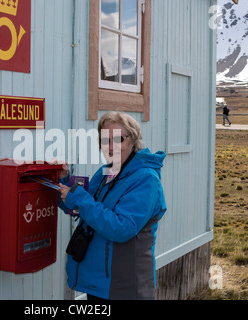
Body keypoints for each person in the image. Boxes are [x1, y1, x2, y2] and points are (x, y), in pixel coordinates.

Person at [57, 111, 167, 300]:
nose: (110, 147)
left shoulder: (146, 179)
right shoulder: (107, 171)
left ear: (133, 140)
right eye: (104, 140)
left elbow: (122, 228)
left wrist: (80, 198)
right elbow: (80, 208)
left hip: (125, 286)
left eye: (118, 139)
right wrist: (63, 182)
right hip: (100, 282)